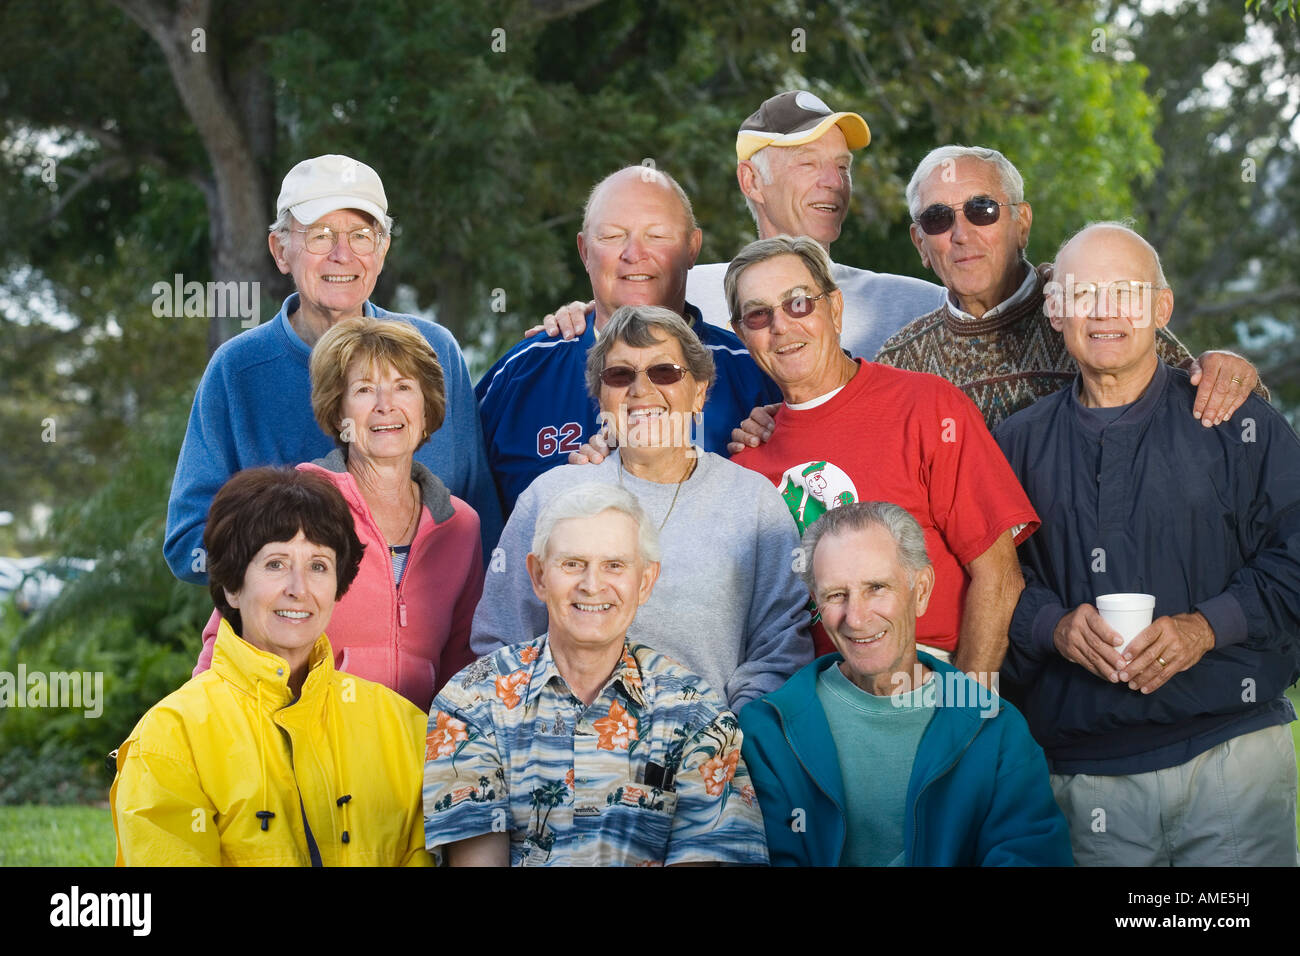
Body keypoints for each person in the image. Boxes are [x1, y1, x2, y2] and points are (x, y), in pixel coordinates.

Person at [994, 222, 1300, 865]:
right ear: (1056, 312)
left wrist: (1206, 628)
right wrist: (1051, 626)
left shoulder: (1233, 420)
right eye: (1084, 294)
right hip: (1082, 778)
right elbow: (988, 579)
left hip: (1232, 758)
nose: (1106, 312)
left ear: (1161, 308)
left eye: (1126, 293)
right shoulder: (1015, 444)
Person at [164, 154, 502, 582]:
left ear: (382, 250)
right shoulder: (238, 370)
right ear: (280, 250)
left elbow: (483, 529)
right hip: (292, 644)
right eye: (320, 236)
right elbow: (188, 542)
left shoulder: (433, 351)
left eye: (362, 236)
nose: (342, 255)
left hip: (432, 644)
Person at [472, 305, 812, 712]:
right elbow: (500, 640)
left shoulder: (753, 502)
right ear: (599, 396)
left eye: (664, 372)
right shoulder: (551, 496)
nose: (641, 390)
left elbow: (780, 651)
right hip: (561, 747)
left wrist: (724, 739)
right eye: (619, 376)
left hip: (706, 752)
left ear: (700, 389)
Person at [725, 235, 1038, 677]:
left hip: (935, 674)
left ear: (834, 308)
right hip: (813, 694)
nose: (780, 326)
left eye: (798, 303)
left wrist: (967, 708)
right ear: (742, 334)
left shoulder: (927, 407)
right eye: (759, 314)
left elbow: (1000, 576)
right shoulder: (747, 465)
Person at [424, 482, 769, 866]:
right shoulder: (472, 700)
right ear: (538, 576)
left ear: (645, 582)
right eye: (572, 564)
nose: (592, 585)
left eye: (614, 565)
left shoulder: (697, 713)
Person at [112, 467, 430, 866]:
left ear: (338, 586)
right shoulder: (170, 739)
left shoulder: (405, 729)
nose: (298, 589)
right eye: (276, 564)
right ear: (232, 584)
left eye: (318, 566)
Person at [740, 502, 1073, 866]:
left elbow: (1033, 856)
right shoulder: (768, 731)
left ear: (921, 590)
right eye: (836, 595)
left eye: (877, 587)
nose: (857, 617)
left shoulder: (997, 729)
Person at [191, 317, 482, 712]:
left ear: (427, 409)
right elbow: (224, 641)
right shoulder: (293, 501)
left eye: (403, 387)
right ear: (338, 410)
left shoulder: (460, 525)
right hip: (301, 751)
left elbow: (462, 664)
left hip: (413, 759)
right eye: (364, 390)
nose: (385, 406)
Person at [871, 145, 1262, 430]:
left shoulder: (1087, 306)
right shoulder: (899, 362)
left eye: (982, 210)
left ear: (1021, 223)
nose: (961, 234)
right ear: (920, 243)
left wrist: (1225, 371)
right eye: (938, 219)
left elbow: (1218, 406)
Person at [537, 91, 944, 359]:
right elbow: (606, 323)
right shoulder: (682, 294)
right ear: (751, 180)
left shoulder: (913, 304)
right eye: (808, 164)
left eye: (842, 167)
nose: (834, 183)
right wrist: (574, 318)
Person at [475, 165, 780, 516]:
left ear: (692, 248)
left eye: (657, 235)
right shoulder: (519, 376)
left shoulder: (756, 372)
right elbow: (462, 518)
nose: (634, 254)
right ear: (584, 250)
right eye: (612, 236)